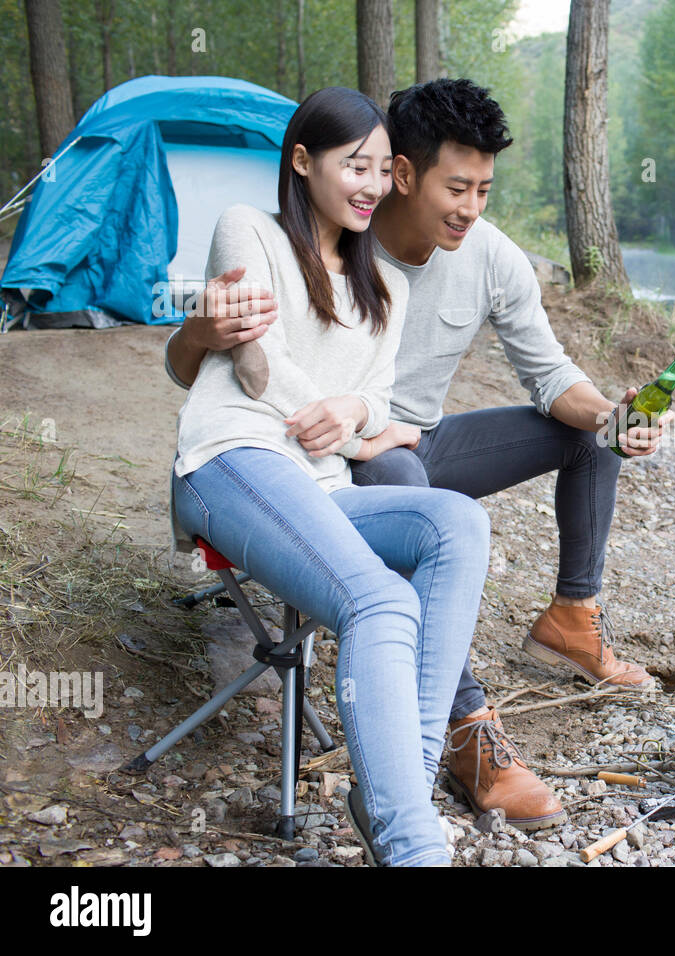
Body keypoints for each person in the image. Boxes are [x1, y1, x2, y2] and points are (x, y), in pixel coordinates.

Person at [166, 79, 674, 834]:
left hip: (408, 441)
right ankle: (467, 733)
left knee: (586, 429)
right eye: (457, 187)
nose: (471, 208)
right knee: (399, 474)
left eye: (486, 190)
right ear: (404, 174)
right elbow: (230, 362)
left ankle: (573, 616)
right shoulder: (311, 242)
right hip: (345, 459)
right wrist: (362, 429)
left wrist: (614, 417)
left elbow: (550, 374)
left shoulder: (480, 260)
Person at [168, 86, 489, 866]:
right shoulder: (249, 229)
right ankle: (415, 845)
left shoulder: (391, 286)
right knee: (378, 599)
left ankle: (397, 787)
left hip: (321, 489)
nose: (373, 186)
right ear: (304, 163)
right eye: (357, 166)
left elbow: (376, 400)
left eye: (384, 170)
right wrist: (338, 414)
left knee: (457, 523)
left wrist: (354, 412)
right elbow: (249, 364)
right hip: (234, 460)